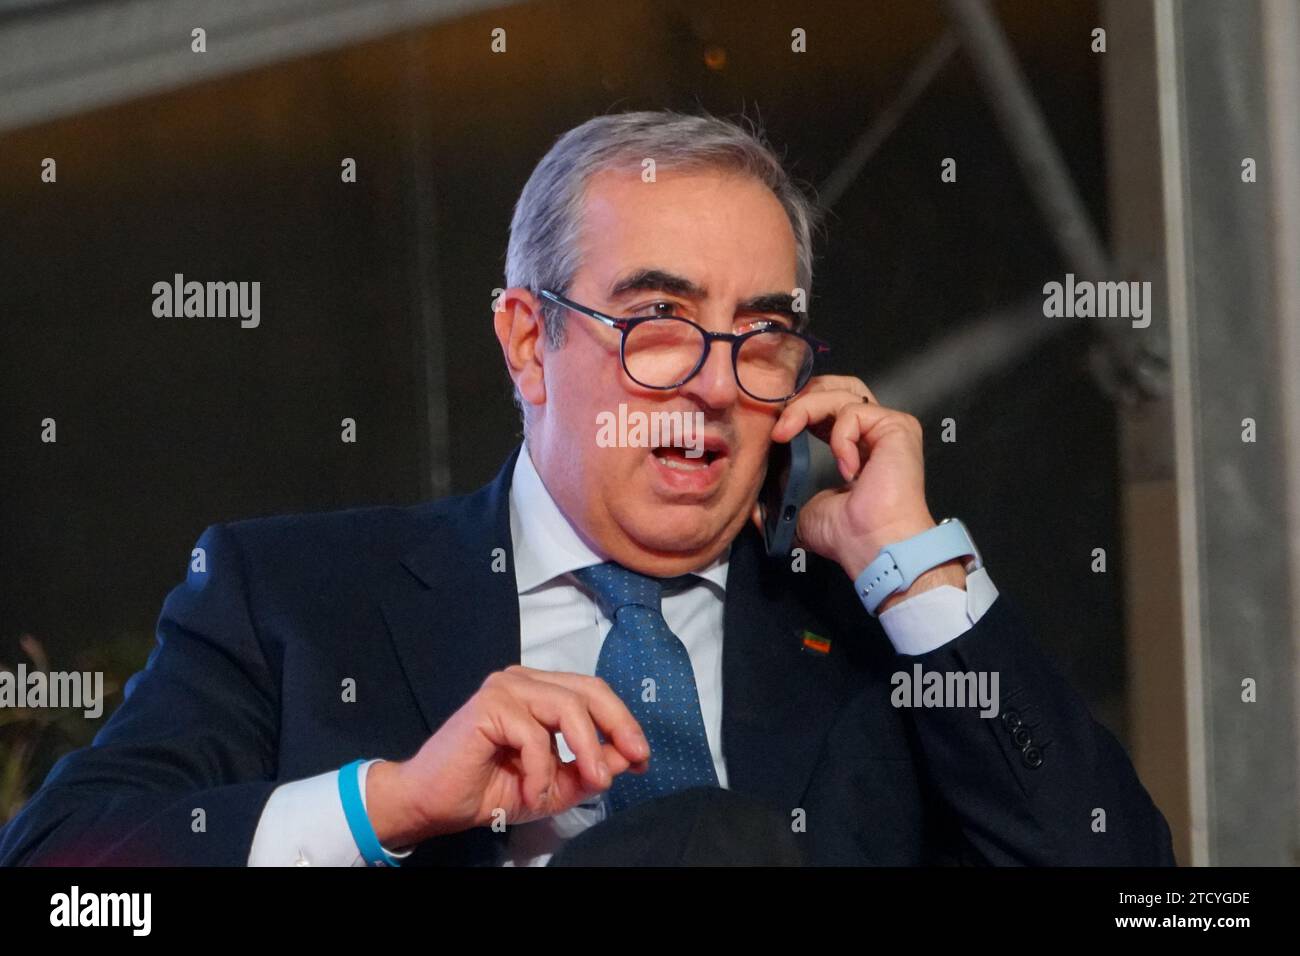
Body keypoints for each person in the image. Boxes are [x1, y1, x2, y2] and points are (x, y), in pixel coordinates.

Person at [0, 110, 1175, 866]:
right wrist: (391, 803)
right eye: (659, 323)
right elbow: (64, 879)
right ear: (525, 340)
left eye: (762, 333)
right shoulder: (296, 598)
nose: (714, 384)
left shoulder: (872, 630)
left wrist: (913, 566)